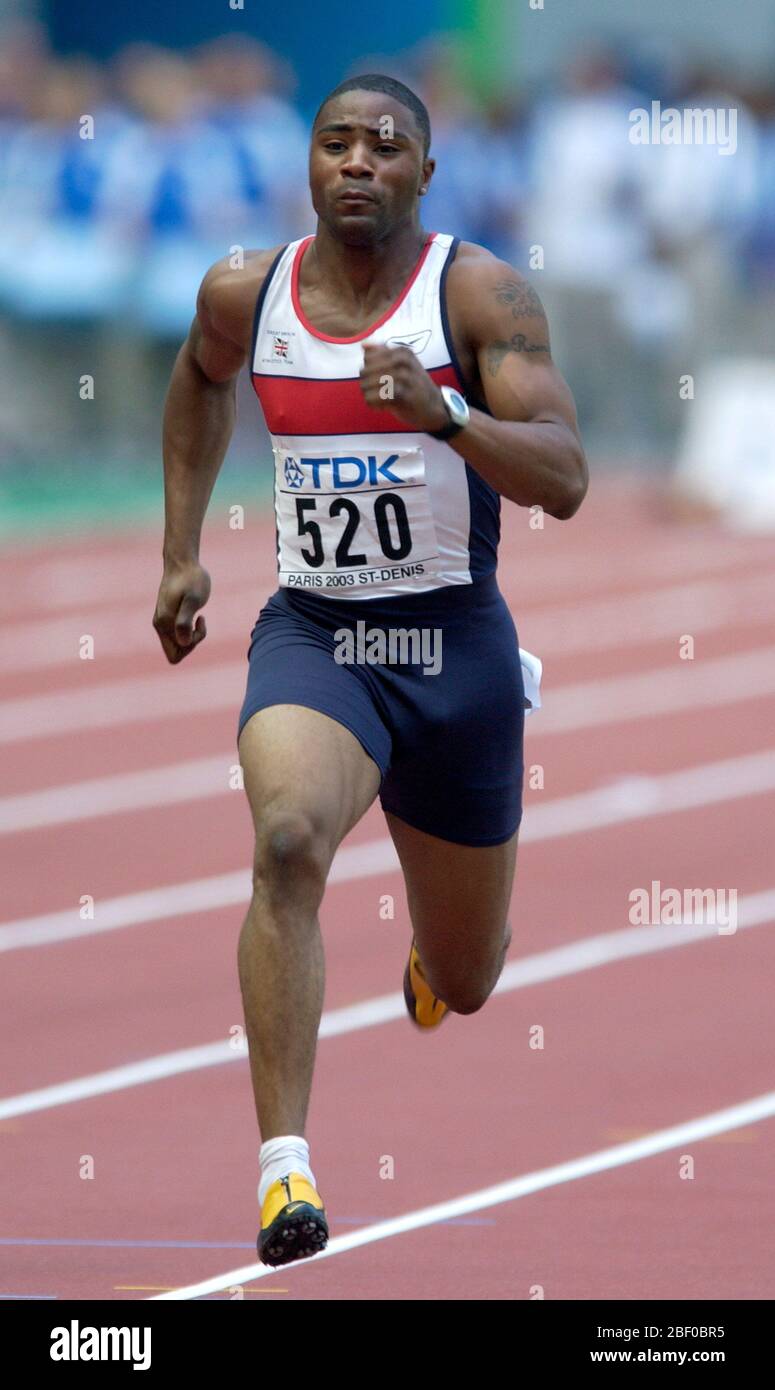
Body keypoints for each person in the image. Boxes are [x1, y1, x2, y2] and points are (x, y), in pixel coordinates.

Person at [153, 73, 588, 1268]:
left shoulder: (480, 293)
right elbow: (199, 378)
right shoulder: (248, 291)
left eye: (384, 146)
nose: (357, 161)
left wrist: (444, 416)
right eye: (334, 142)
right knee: (288, 837)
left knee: (470, 973)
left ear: (424, 176)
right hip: (321, 636)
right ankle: (283, 1168)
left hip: (452, 651)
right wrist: (182, 550)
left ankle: (437, 957)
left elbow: (563, 474)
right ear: (307, 164)